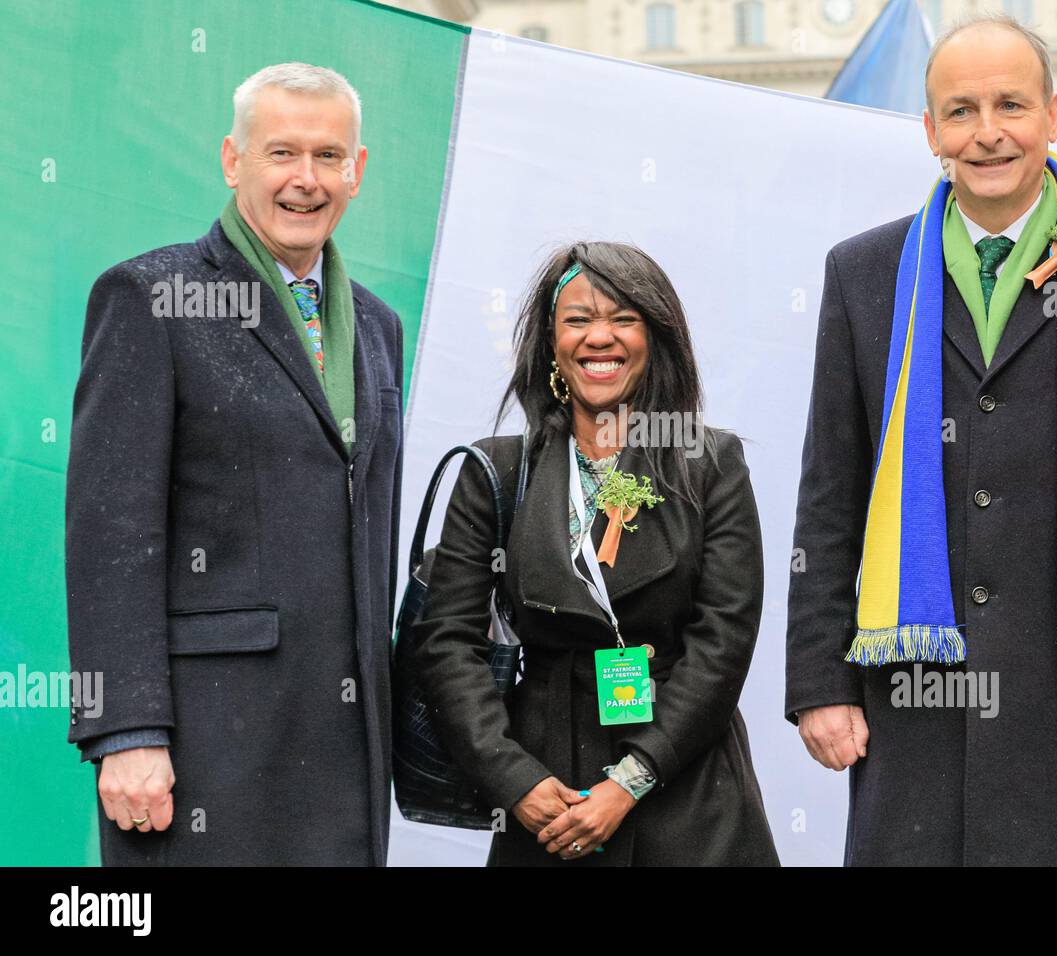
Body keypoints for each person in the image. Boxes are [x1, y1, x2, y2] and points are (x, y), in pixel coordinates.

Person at [785, 14, 1057, 866]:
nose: (987, 133)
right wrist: (818, 684)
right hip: (911, 716)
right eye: (961, 110)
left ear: (1054, 116)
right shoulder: (861, 276)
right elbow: (829, 496)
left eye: (1011, 105)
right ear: (929, 130)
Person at [65, 62, 404, 865]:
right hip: (206, 747)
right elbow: (110, 531)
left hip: (348, 748)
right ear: (232, 160)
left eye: (328, 156)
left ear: (358, 171)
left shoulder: (379, 325)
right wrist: (127, 731)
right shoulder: (152, 295)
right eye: (280, 152)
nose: (305, 179)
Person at [405, 242, 779, 865]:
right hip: (548, 795)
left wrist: (631, 780)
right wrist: (514, 780)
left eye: (623, 320)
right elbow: (448, 642)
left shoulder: (710, 464)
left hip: (686, 788)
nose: (599, 338)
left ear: (655, 338)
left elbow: (724, 643)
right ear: (552, 345)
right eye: (577, 320)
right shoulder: (497, 471)